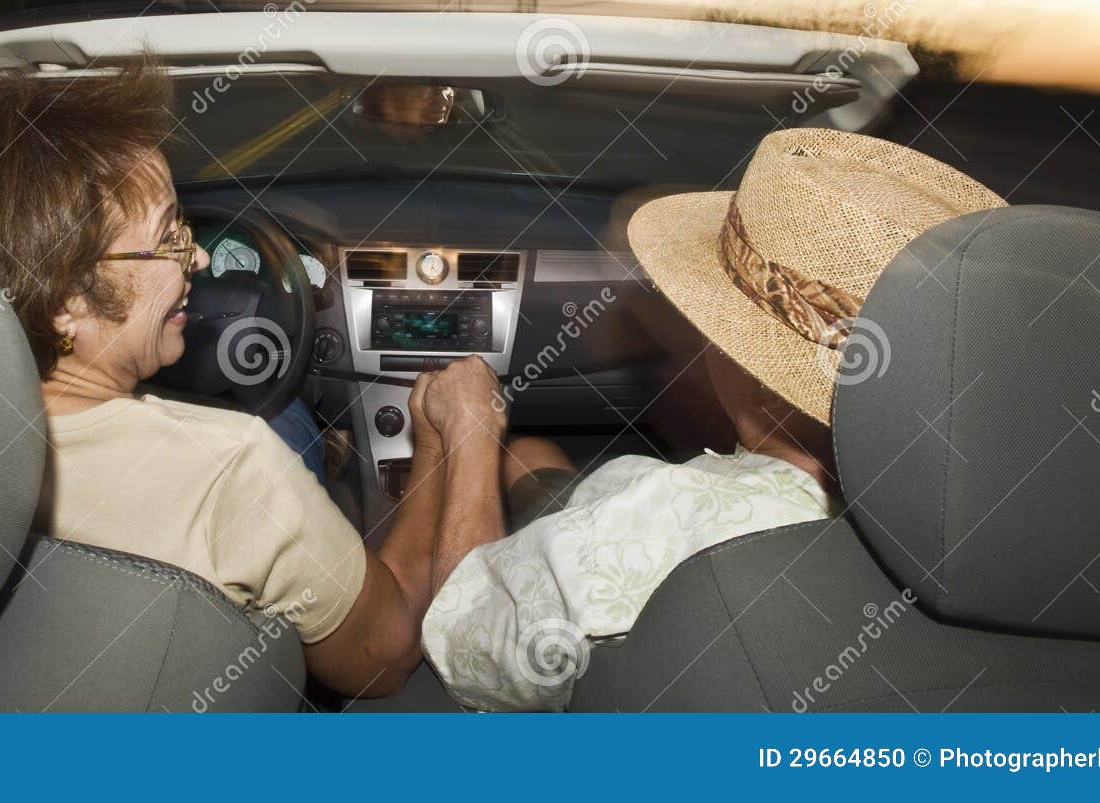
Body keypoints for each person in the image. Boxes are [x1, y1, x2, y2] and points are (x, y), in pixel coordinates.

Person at [0, 59, 503, 698]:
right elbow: (384, 659)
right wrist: (446, 438)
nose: (196, 255)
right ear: (66, 301)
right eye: (168, 235)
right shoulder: (229, 469)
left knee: (288, 422)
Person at [417, 127, 1008, 710]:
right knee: (535, 458)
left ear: (748, 364)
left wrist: (470, 431)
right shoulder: (1024, 529)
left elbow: (462, 637)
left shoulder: (663, 523)